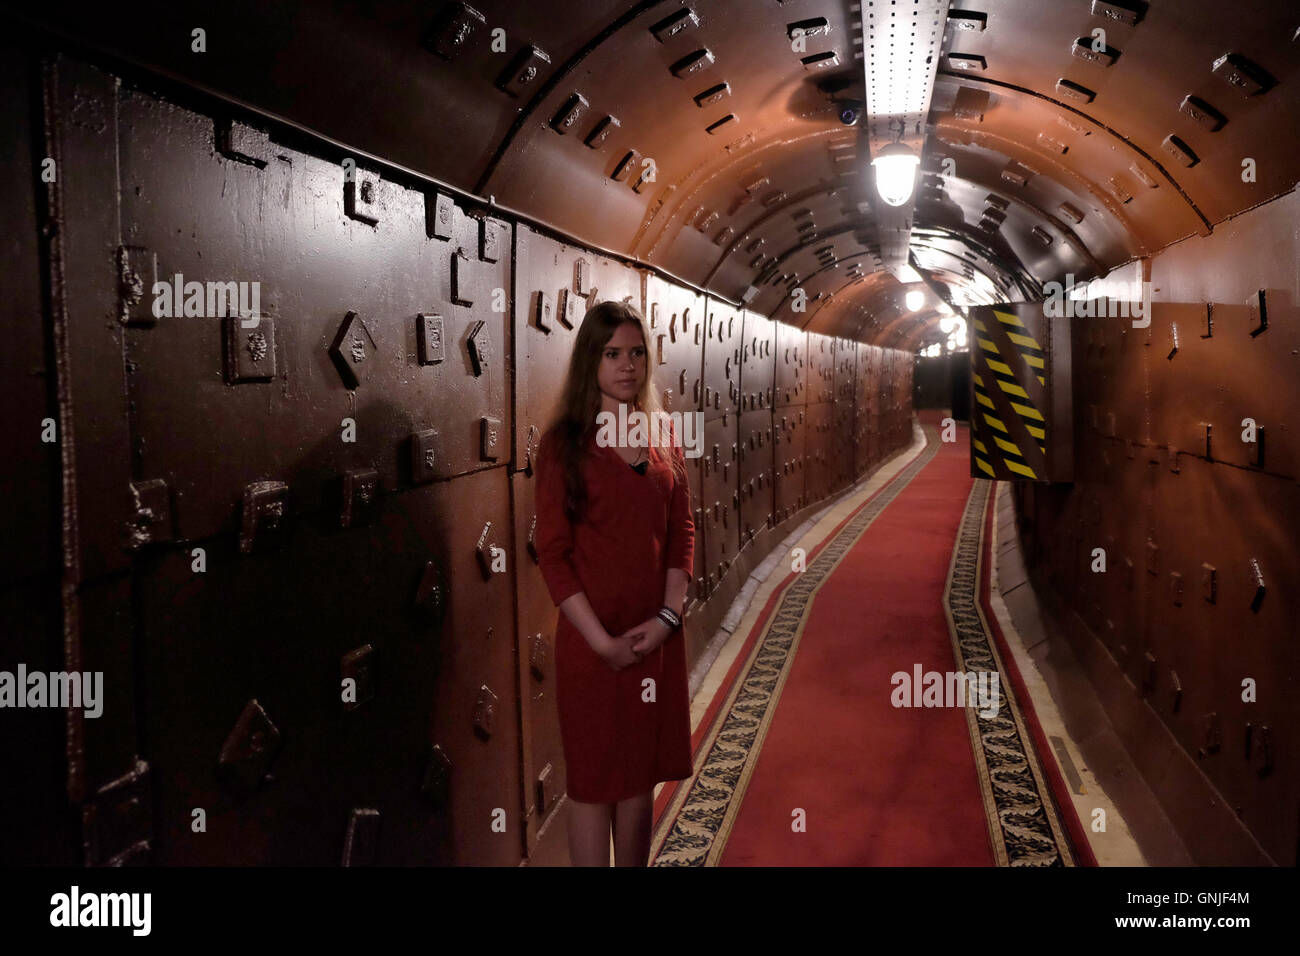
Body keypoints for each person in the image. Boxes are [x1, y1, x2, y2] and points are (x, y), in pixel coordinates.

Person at [533, 299, 695, 867]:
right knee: (594, 783)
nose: (627, 365)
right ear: (590, 362)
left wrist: (667, 620)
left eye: (636, 353)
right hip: (592, 646)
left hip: (654, 639)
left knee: (637, 779)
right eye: (612, 354)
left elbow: (682, 533)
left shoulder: (663, 435)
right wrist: (601, 642)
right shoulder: (562, 447)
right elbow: (552, 555)